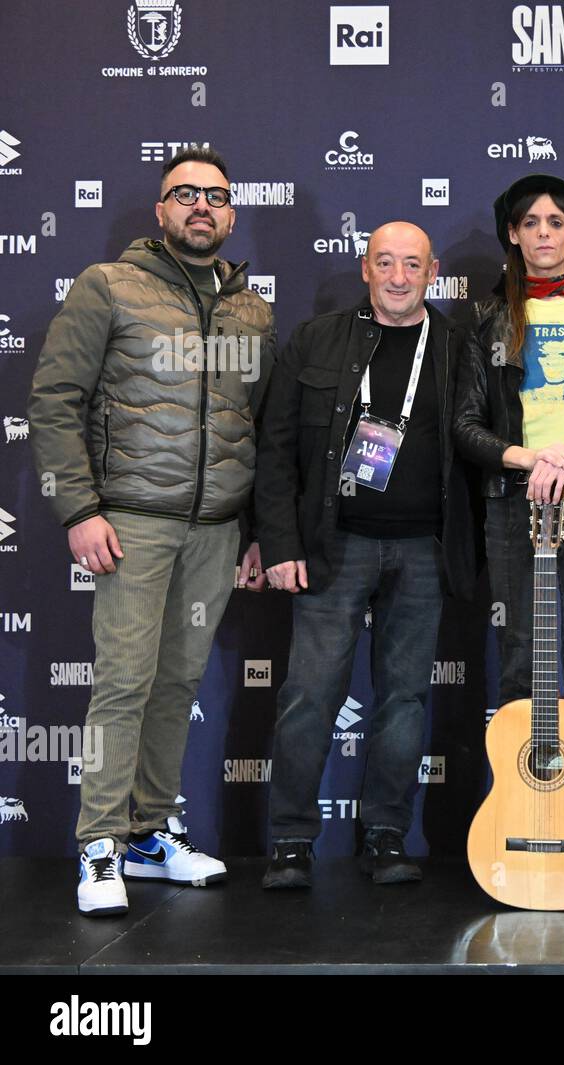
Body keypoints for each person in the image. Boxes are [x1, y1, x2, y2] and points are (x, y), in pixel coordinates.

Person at [28, 146, 274, 915]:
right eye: (185, 194)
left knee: (175, 685)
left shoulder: (252, 311)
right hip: (131, 521)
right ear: (161, 210)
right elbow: (54, 400)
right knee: (124, 682)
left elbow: (258, 427)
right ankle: (98, 841)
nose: (202, 206)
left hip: (216, 529)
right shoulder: (108, 286)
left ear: (231, 213)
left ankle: (146, 832)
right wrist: (80, 509)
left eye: (216, 196)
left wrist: (259, 529)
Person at [254, 221, 477, 888]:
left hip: (422, 550)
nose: (399, 276)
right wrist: (278, 541)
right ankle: (291, 840)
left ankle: (386, 835)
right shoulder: (316, 339)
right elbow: (275, 448)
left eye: (412, 264)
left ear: (433, 272)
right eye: (386, 262)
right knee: (308, 696)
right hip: (333, 545)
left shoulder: (457, 348)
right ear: (365, 268)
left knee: (404, 700)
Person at [454, 174, 564, 719]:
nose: (544, 235)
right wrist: (534, 459)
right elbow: (465, 424)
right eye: (530, 223)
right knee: (517, 659)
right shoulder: (486, 318)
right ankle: (518, 801)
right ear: (512, 234)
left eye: (556, 222)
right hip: (512, 497)